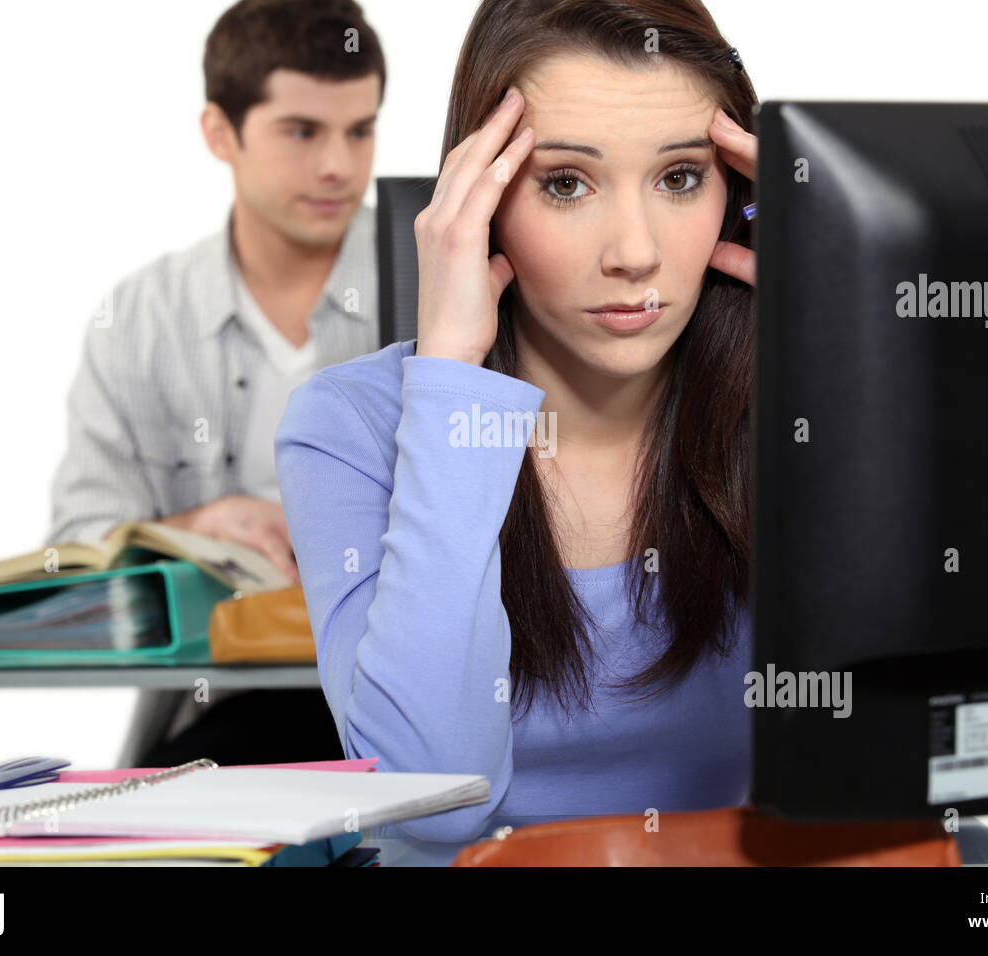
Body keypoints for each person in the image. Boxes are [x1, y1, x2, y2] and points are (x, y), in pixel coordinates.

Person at [276, 0, 758, 843]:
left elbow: (921, 750)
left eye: (680, 178)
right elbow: (434, 797)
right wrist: (452, 382)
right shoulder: (347, 424)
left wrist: (858, 349)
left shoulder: (788, 401)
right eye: (567, 184)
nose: (635, 253)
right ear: (482, 200)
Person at [47, 0, 386, 765]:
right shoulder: (142, 316)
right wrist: (201, 526)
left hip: (402, 702)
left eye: (359, 130)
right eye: (302, 131)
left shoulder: (444, 280)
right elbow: (71, 545)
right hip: (222, 712)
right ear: (219, 133)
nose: (339, 165)